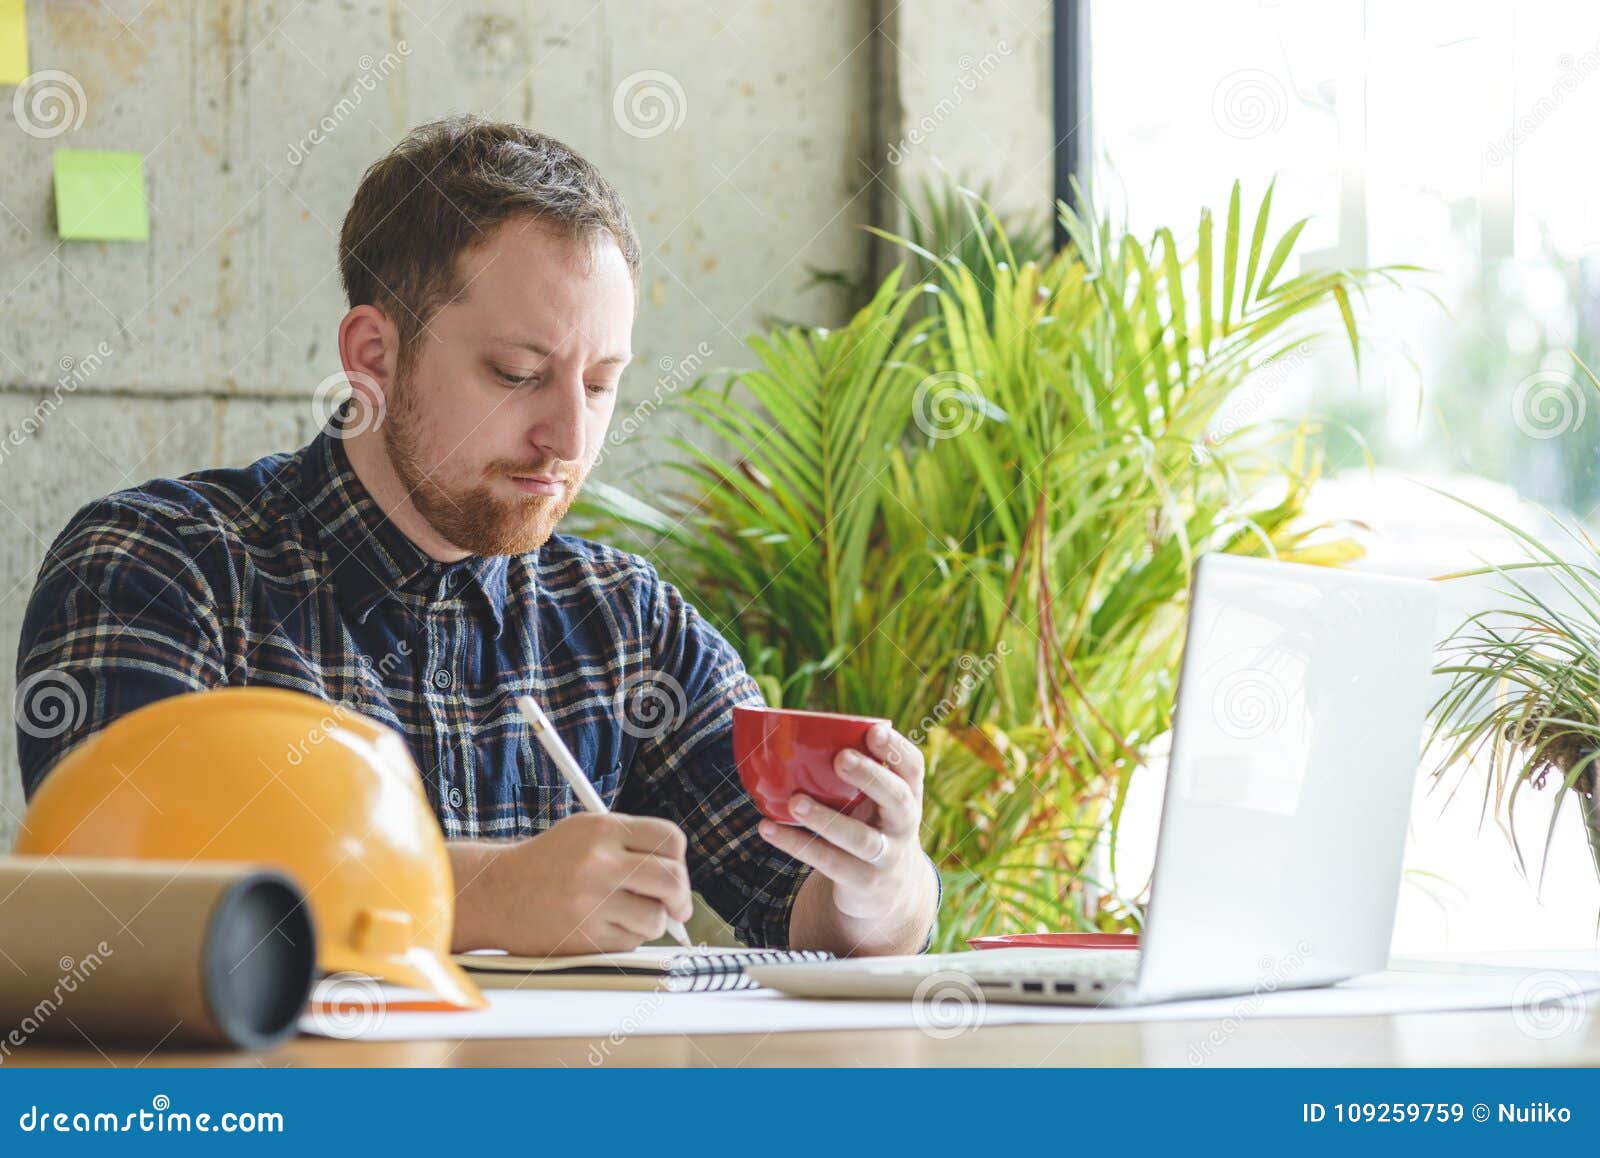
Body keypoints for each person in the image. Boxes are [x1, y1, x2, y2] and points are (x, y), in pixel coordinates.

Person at [15, 116, 938, 958]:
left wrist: (880, 884)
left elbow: (807, 908)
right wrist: (484, 894)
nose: (571, 440)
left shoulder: (627, 623)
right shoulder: (159, 566)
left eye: (602, 383)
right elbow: (119, 898)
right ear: (373, 355)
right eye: (518, 373)